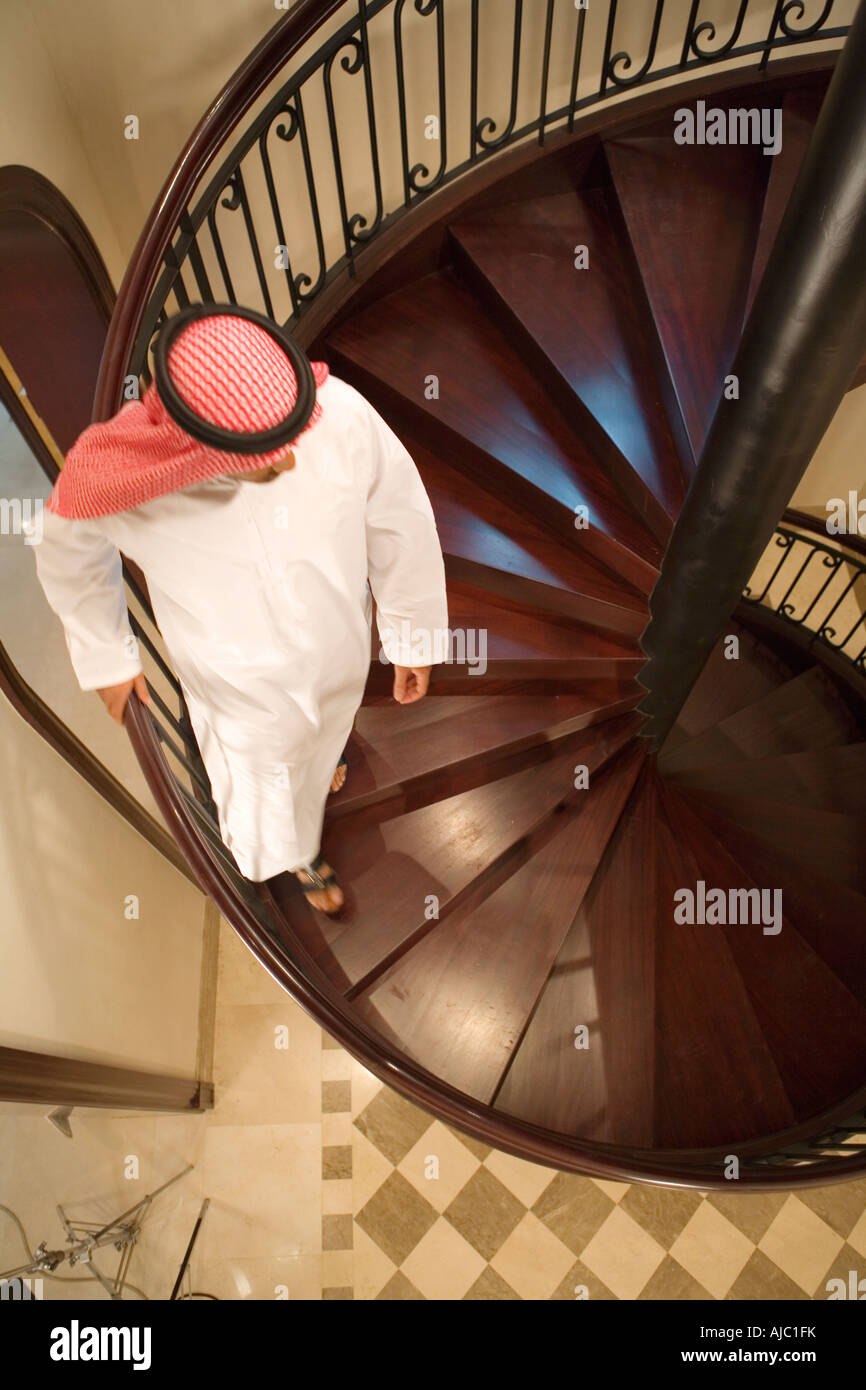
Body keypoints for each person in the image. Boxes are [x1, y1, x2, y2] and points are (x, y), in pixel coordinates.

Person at [31, 308, 449, 914]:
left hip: (340, 648)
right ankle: (296, 855)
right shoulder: (127, 488)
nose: (292, 459)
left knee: (329, 732)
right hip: (241, 692)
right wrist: (107, 653)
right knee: (265, 790)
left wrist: (411, 635)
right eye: (269, 456)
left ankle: (323, 767)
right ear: (200, 455)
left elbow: (398, 516)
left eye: (294, 434)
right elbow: (68, 556)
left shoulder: (341, 414)